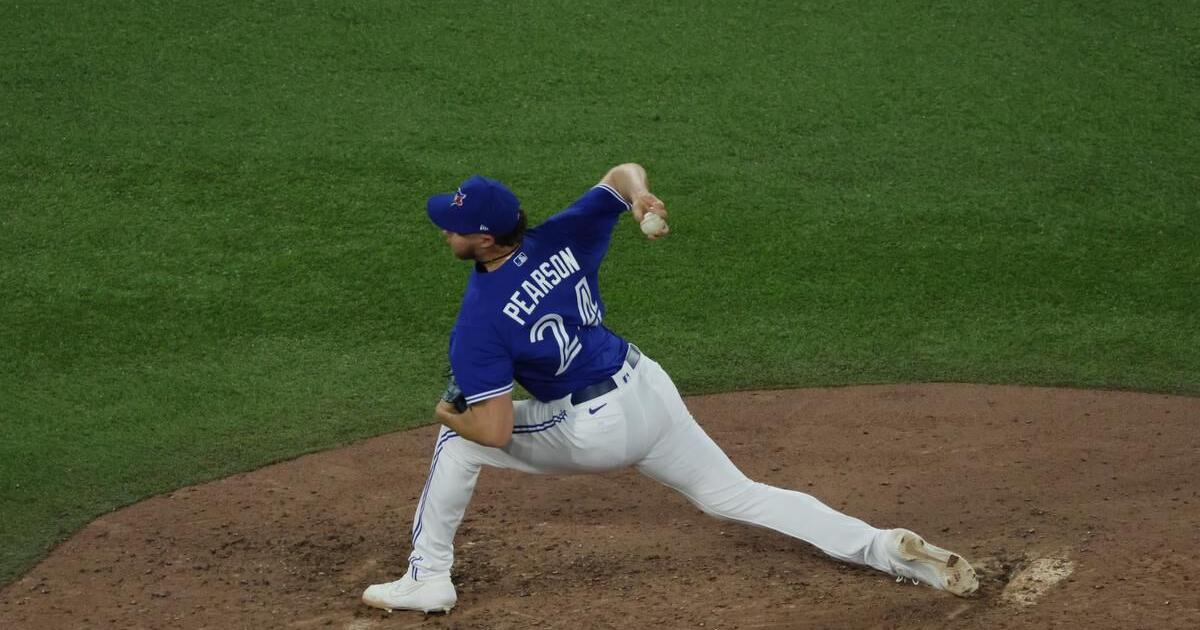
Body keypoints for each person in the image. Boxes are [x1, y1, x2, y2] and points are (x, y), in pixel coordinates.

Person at [362, 164, 978, 613]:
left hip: (597, 424)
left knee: (460, 444)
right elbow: (622, 172)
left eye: (455, 227)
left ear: (487, 240)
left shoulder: (477, 321)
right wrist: (640, 199)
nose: (445, 231)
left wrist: (448, 414)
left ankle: (429, 577)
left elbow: (493, 430)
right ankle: (883, 547)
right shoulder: (559, 235)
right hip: (648, 387)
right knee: (737, 495)